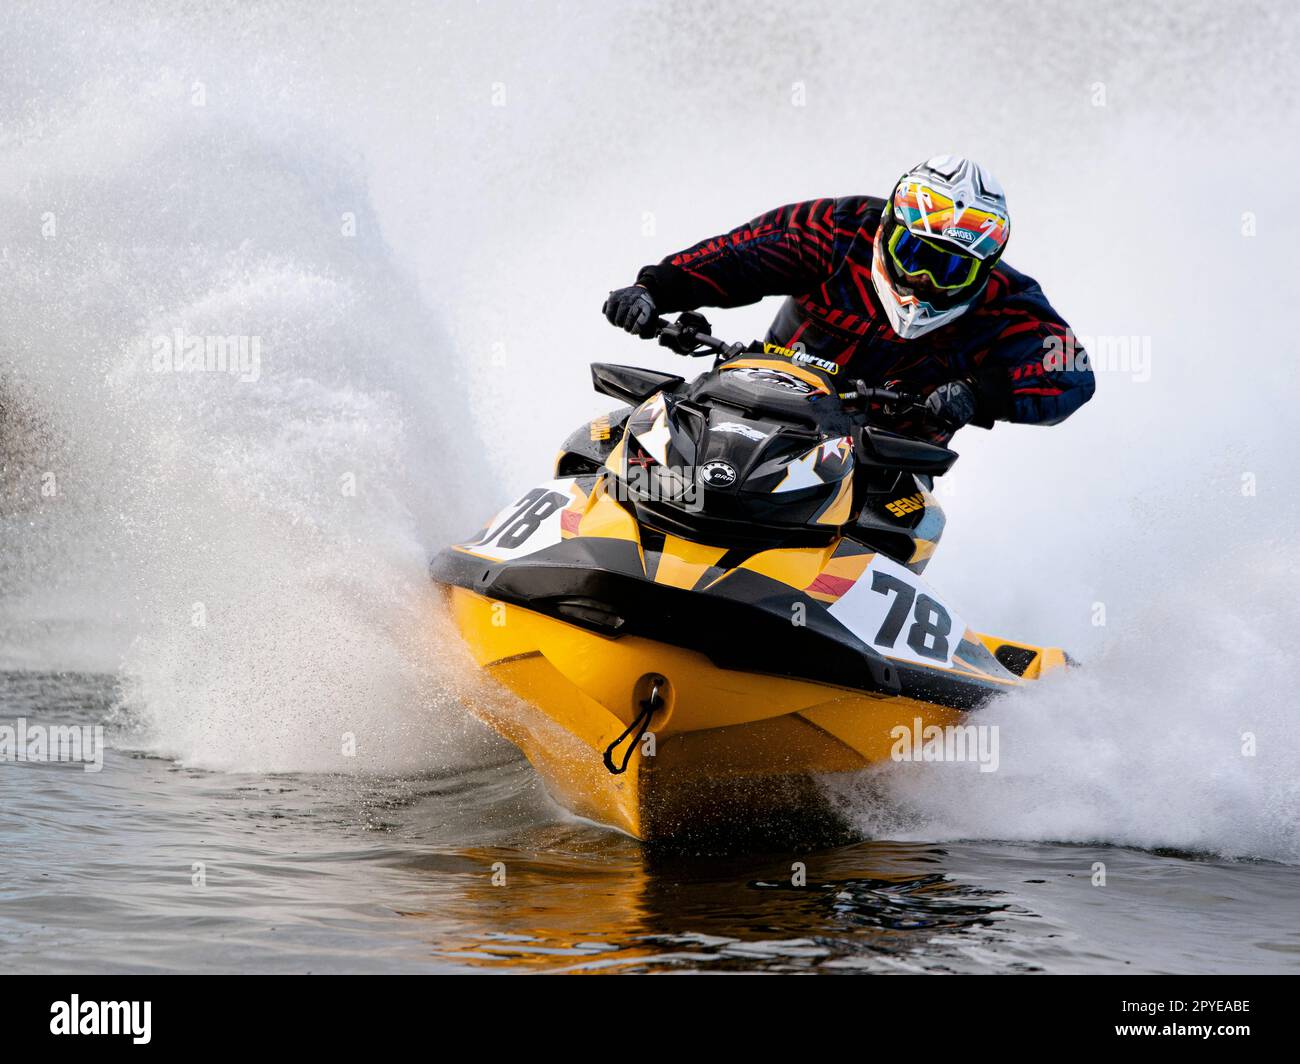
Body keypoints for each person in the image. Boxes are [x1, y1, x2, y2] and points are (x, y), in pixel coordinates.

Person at [602, 155, 1094, 443]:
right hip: (754, 408)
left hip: (885, 456)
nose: (923, 279)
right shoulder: (835, 232)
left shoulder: (1006, 300)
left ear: (982, 271)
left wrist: (978, 393)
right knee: (626, 435)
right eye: (914, 253)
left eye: (949, 269)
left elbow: (1071, 370)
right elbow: (737, 255)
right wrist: (653, 289)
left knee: (910, 520)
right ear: (887, 229)